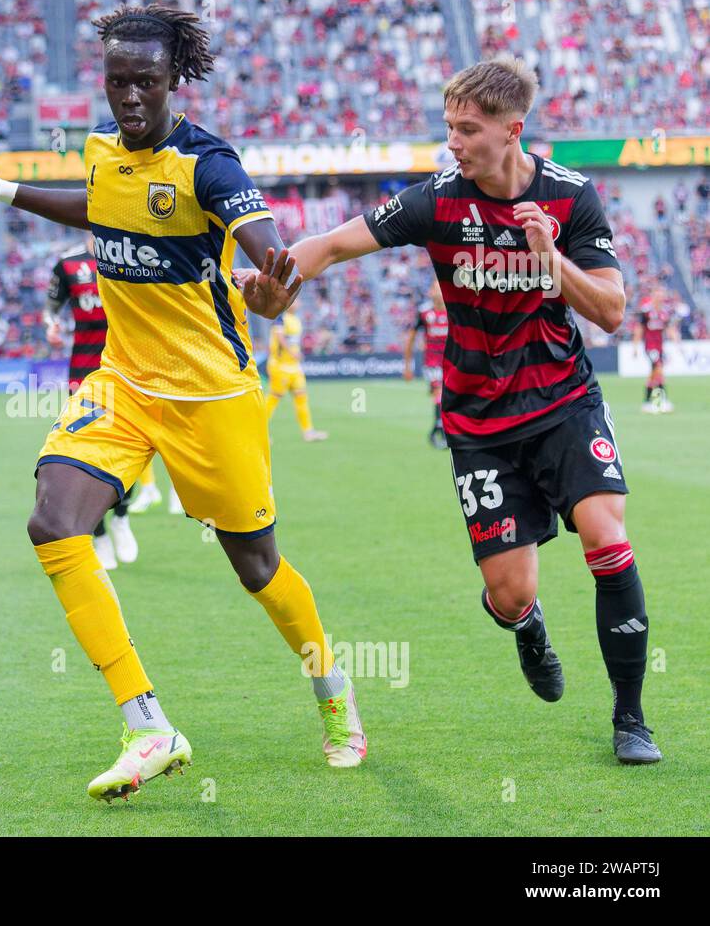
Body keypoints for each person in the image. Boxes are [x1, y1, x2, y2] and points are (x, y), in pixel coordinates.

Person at [0, 2, 367, 802]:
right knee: (52, 520)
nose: (129, 96)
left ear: (174, 81)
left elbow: (267, 251)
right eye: (116, 81)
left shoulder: (210, 166)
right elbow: (97, 208)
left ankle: (333, 693)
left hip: (213, 395)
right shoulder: (105, 154)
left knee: (258, 568)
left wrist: (274, 290)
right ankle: (148, 724)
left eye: (145, 81)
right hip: (123, 384)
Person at [285, 58, 660, 764]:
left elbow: (610, 311)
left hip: (563, 404)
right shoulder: (435, 201)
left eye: (466, 129)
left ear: (512, 130)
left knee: (607, 539)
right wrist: (271, 270)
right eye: (448, 127)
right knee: (511, 594)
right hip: (479, 422)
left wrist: (551, 256)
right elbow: (335, 244)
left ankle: (631, 718)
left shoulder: (571, 199)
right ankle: (528, 626)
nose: (451, 142)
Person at [46, 232, 139, 569]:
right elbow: (51, 307)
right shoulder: (67, 264)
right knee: (88, 450)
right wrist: (50, 325)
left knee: (129, 445)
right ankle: (98, 535)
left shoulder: (134, 255)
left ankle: (122, 517)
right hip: (85, 368)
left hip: (130, 366)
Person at [265, 301, 327, 441]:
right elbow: (280, 338)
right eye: (295, 300)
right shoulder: (280, 317)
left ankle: (308, 432)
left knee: (301, 397)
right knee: (273, 399)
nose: (298, 303)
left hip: (294, 367)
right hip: (280, 366)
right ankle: (259, 431)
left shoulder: (296, 319)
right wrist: (291, 353)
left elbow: (293, 341)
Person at [402, 278, 449, 448]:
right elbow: (411, 339)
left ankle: (444, 425)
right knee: (439, 391)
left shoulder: (454, 311)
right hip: (433, 361)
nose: (440, 291)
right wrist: (407, 366)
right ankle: (439, 424)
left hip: (453, 360)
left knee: (448, 395)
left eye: (441, 287)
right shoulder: (424, 313)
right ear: (430, 292)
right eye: (436, 288)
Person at [636, 285, 675, 413]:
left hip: (660, 347)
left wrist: (676, 342)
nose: (660, 296)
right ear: (653, 295)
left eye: (662, 294)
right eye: (658, 294)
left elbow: (669, 329)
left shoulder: (665, 312)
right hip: (650, 347)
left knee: (654, 375)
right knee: (658, 370)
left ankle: (648, 402)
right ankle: (661, 401)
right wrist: (635, 346)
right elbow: (639, 329)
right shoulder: (646, 310)